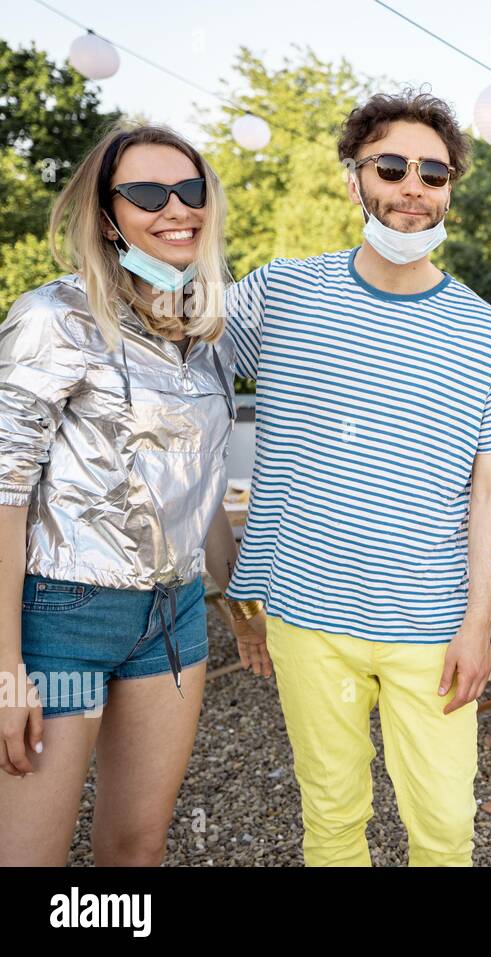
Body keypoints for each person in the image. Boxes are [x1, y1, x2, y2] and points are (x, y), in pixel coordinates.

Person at [221, 91, 491, 867]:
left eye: (434, 171)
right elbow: (172, 363)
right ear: (353, 178)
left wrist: (478, 622)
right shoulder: (278, 294)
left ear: (451, 186)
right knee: (330, 820)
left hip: (430, 625)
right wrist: (229, 580)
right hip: (306, 613)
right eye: (391, 166)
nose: (412, 186)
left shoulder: (490, 335)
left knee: (444, 828)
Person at [0, 124, 251, 865]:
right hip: (60, 615)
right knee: (29, 857)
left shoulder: (208, 329)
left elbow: (195, 482)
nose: (175, 208)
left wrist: (236, 595)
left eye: (189, 188)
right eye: (145, 192)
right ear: (108, 216)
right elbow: (5, 492)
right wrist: (5, 666)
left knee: (137, 849)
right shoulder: (55, 317)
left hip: (173, 619)